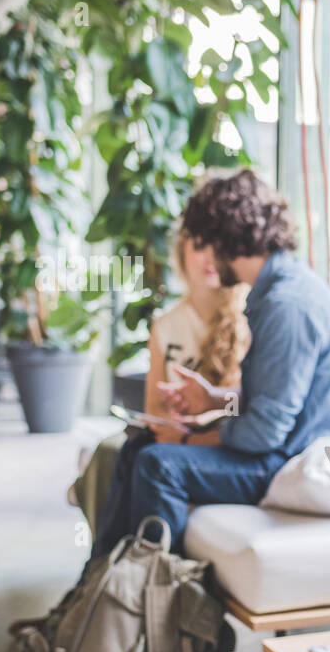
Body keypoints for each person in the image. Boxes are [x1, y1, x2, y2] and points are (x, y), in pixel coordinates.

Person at [92, 168, 330, 557]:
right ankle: (99, 592)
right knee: (137, 449)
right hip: (290, 446)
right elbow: (278, 397)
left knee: (158, 464)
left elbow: (265, 433)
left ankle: (158, 600)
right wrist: (214, 400)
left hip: (294, 460)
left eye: (206, 244)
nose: (204, 257)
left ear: (223, 239)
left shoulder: (286, 305)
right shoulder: (283, 288)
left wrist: (189, 438)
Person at [71, 227, 249, 536]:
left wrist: (205, 411)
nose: (209, 258)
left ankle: (118, 566)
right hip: (173, 431)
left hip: (223, 437)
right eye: (199, 246)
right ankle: (111, 567)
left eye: (219, 247)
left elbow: (250, 406)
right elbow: (155, 406)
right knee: (111, 451)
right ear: (181, 254)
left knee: (134, 458)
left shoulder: (250, 319)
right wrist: (171, 424)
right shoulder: (166, 326)